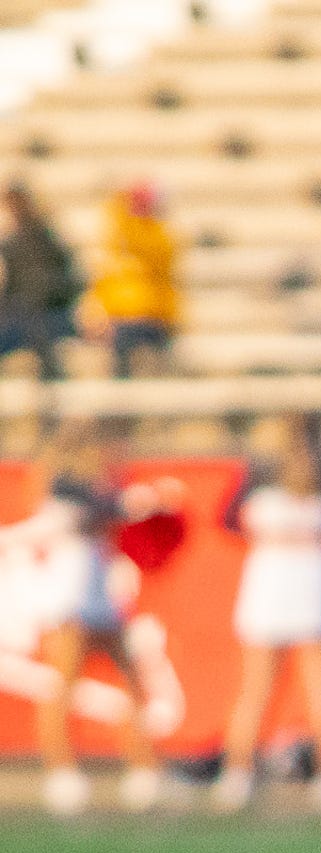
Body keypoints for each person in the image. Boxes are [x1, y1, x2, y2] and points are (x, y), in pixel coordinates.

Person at [7, 424, 169, 813]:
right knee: (64, 681)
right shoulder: (64, 483)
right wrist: (129, 502)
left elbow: (110, 514)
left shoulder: (95, 486)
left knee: (130, 678)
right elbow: (97, 507)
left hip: (98, 589)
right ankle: (61, 771)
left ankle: (143, 768)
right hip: (69, 591)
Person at [214, 414, 321, 812]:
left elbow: (226, 519)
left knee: (256, 688)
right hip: (316, 582)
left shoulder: (260, 472)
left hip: (271, 581)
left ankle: (238, 775)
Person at [89, 183, 178, 378]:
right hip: (119, 317)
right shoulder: (116, 239)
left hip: (151, 316)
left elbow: (158, 258)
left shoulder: (158, 235)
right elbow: (104, 282)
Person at [0, 184, 80, 382]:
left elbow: (66, 279)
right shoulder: (10, 244)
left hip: (50, 312)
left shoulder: (46, 239)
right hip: (20, 314)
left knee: (38, 328)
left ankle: (53, 387)